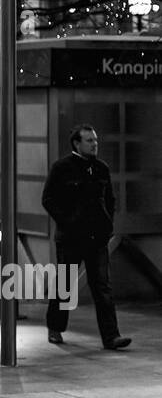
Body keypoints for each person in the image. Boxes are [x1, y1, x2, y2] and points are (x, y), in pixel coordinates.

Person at [41, 123, 131, 351]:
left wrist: (107, 224)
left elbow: (109, 199)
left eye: (96, 141)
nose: (94, 145)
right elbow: (48, 199)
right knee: (65, 285)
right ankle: (55, 328)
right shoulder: (62, 168)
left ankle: (111, 337)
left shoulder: (101, 168)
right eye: (89, 141)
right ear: (77, 143)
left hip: (97, 239)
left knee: (102, 287)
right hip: (71, 238)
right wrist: (68, 222)